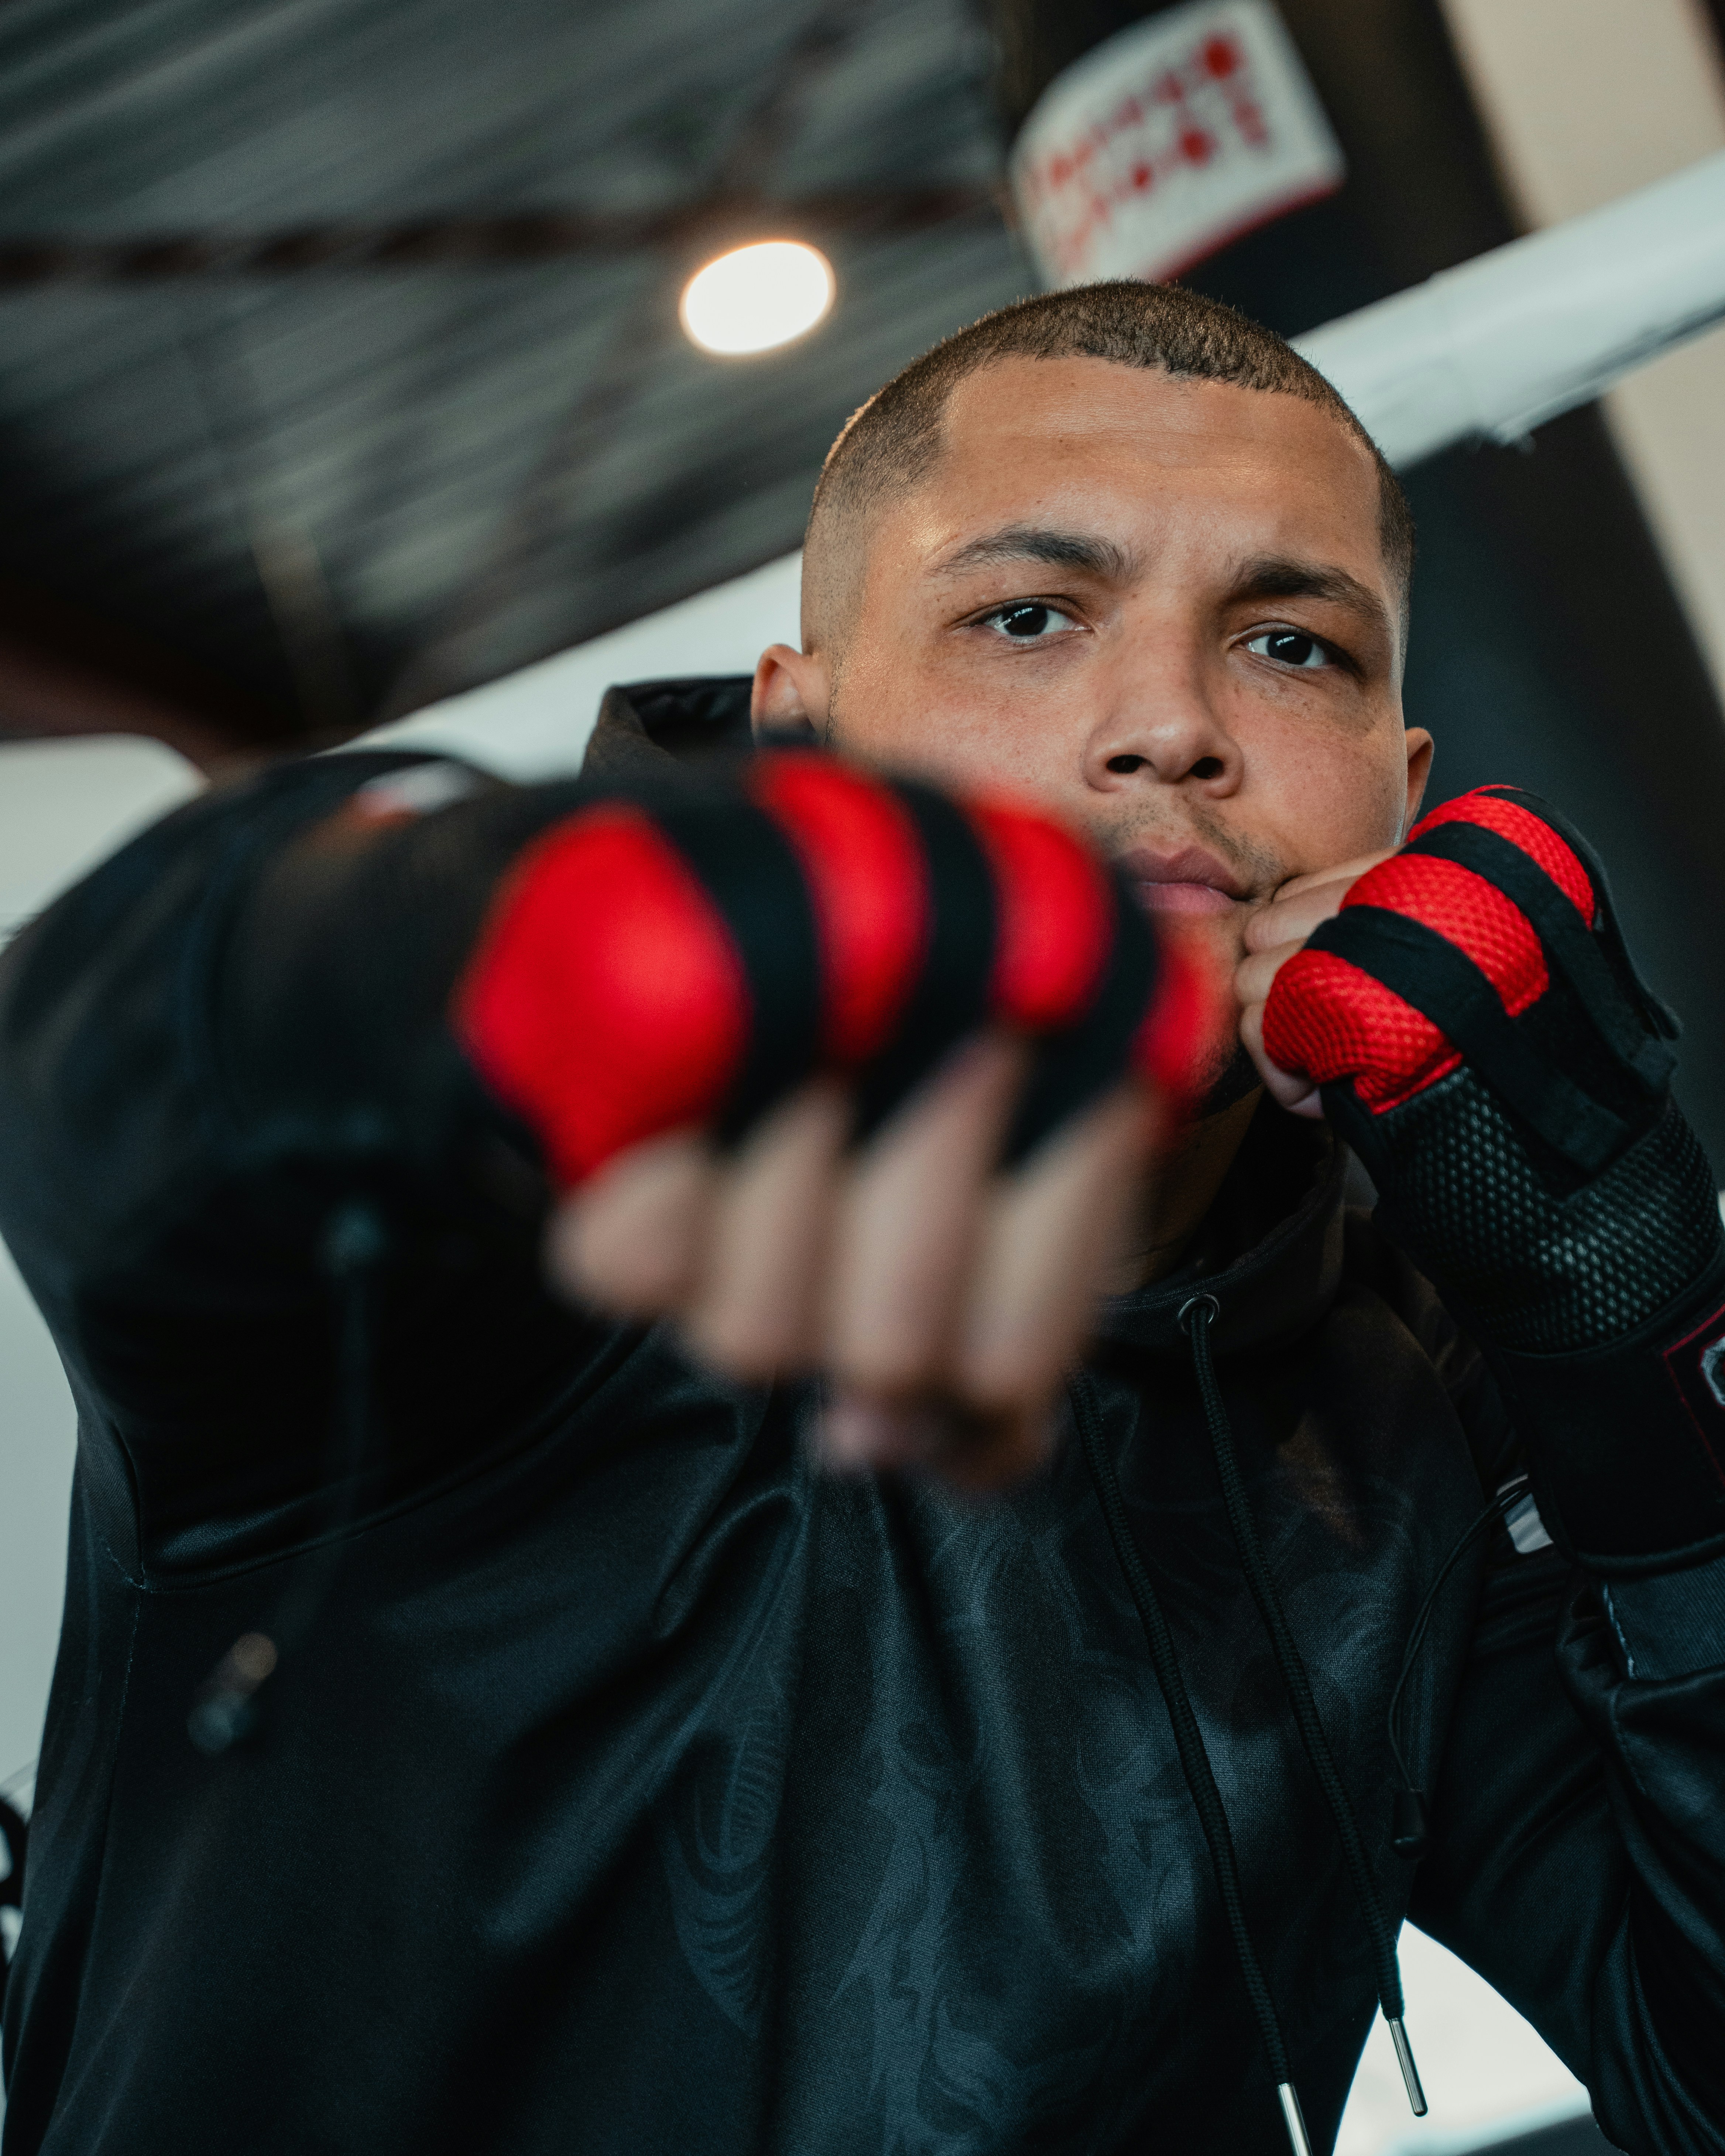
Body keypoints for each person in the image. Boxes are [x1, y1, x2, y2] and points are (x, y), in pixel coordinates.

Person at [1, 282, 1722, 2156]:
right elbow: (115, 1063)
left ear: (1400, 799)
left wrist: (1639, 1332)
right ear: (798, 739)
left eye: (1291, 645)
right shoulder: (488, 1252)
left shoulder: (1397, 1388)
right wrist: (484, 942)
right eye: (1029, 616)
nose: (1168, 725)